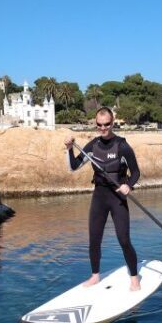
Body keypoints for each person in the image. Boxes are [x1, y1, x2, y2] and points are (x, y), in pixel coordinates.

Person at [64, 107, 141, 291]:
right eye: (99, 125)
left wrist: (128, 185)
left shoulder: (122, 145)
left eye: (106, 124)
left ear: (112, 123)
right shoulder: (93, 145)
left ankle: (134, 277)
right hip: (99, 196)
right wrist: (68, 149)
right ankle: (95, 276)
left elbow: (136, 172)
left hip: (117, 197)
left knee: (123, 239)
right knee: (94, 238)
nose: (103, 128)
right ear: (95, 123)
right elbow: (74, 167)